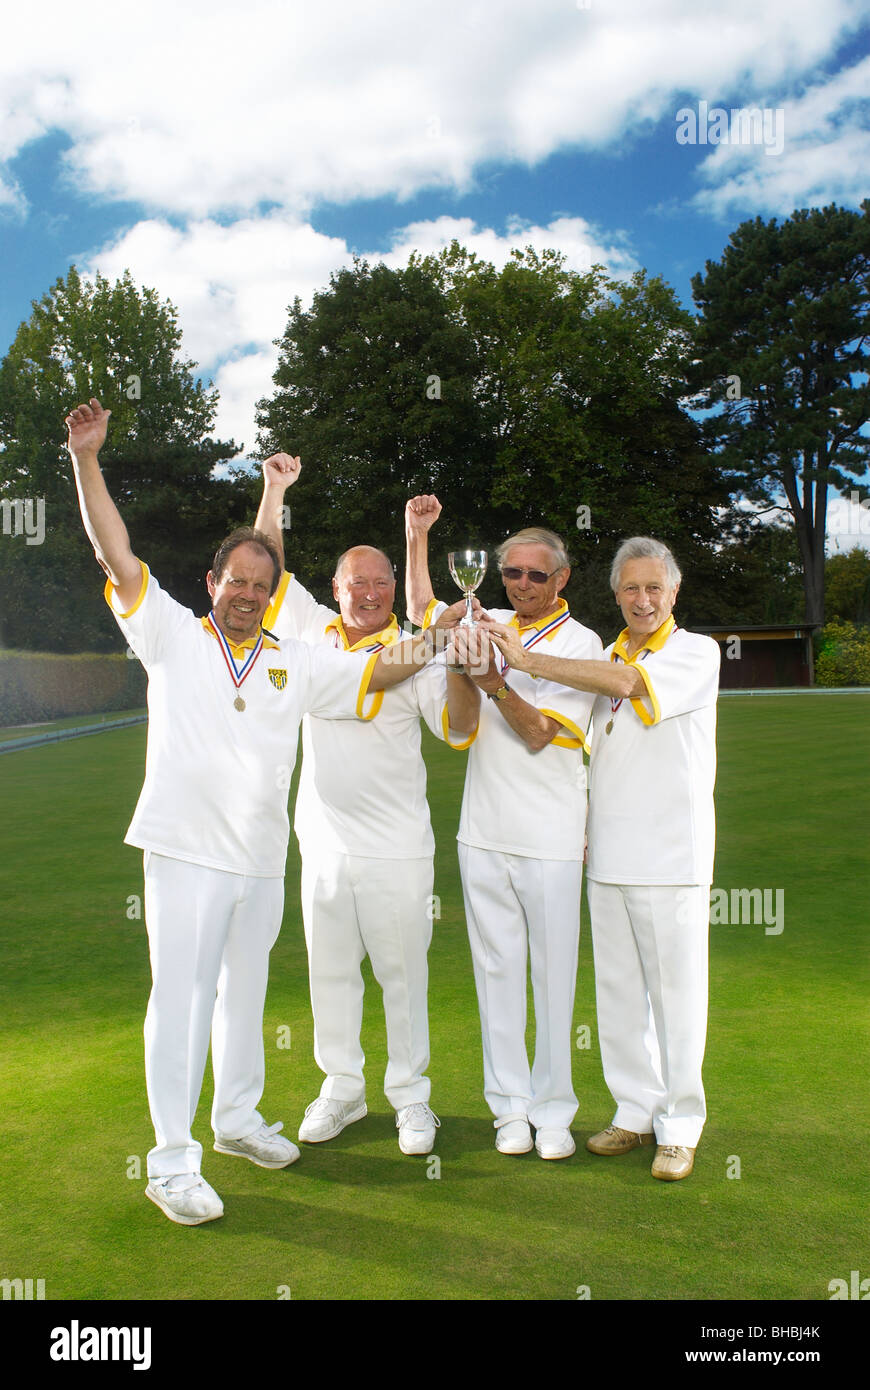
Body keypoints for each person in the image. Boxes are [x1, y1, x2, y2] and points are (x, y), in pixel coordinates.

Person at [66, 399, 457, 1224]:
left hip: (260, 859)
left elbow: (381, 673)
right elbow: (115, 548)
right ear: (212, 586)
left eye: (259, 583)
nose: (246, 593)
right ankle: (173, 1162)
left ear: (272, 593)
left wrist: (441, 636)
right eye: (234, 582)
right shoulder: (169, 631)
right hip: (183, 852)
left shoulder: (297, 663)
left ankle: (238, 1119)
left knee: (243, 997)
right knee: (181, 1000)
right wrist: (86, 460)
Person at [254, 465, 478, 1156]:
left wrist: (465, 661)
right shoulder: (311, 635)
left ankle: (412, 1097)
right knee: (330, 975)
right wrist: (275, 492)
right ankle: (343, 1090)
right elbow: (263, 564)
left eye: (383, 583)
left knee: (401, 977)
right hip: (321, 846)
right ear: (336, 591)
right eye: (360, 583)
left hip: (398, 849)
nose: (373, 593)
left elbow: (459, 730)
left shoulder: (417, 653)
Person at [488, 537, 719, 1180]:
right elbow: (575, 742)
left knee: (675, 996)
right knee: (618, 995)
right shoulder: (609, 649)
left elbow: (627, 684)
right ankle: (635, 1111)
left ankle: (680, 1124)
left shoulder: (693, 652)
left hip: (672, 856)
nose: (643, 600)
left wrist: (524, 657)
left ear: (674, 594)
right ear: (616, 594)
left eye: (655, 589)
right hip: (609, 853)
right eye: (631, 589)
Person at [406, 510, 602, 1160]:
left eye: (535, 574)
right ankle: (509, 1111)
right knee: (496, 975)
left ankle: (553, 1113)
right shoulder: (481, 624)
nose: (521, 584)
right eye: (510, 572)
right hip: (482, 832)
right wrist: (463, 666)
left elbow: (541, 733)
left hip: (550, 836)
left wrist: (495, 678)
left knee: (552, 979)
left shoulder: (581, 644)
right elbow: (460, 731)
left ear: (562, 577)